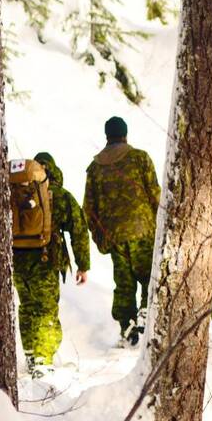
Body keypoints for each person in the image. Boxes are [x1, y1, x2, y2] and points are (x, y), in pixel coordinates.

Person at [83, 116, 160, 345]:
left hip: (115, 236)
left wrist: (101, 238)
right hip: (144, 229)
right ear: (125, 134)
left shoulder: (95, 167)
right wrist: (161, 225)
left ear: (107, 136)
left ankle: (127, 326)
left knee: (124, 283)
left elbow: (89, 208)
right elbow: (155, 194)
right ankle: (146, 313)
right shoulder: (139, 158)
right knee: (149, 277)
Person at [13, 152, 90, 374]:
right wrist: (82, 265)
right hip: (45, 260)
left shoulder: (15, 194)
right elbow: (79, 230)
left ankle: (31, 353)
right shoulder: (59, 195)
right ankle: (43, 359)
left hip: (16, 260)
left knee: (27, 306)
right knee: (46, 308)